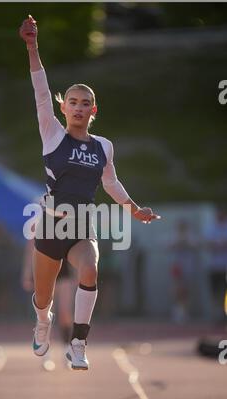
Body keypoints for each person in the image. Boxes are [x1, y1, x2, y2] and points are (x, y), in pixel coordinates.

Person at [19, 15, 161, 371]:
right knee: (43, 297)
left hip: (82, 224)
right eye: (73, 101)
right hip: (51, 225)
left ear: (92, 110)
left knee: (90, 269)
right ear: (63, 107)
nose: (79, 107)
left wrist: (133, 209)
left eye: (85, 103)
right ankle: (42, 322)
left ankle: (78, 343)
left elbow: (110, 183)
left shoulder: (103, 147)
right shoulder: (52, 133)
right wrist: (32, 46)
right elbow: (39, 88)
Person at [22, 238, 76, 370]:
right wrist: (27, 273)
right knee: (44, 314)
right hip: (45, 272)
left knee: (65, 313)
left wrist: (78, 275)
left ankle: (67, 354)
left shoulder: (71, 220)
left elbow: (77, 248)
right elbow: (31, 248)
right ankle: (46, 356)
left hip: (65, 274)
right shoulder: (41, 221)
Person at [205, 208, 227, 323]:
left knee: (225, 292)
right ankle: (215, 315)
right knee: (214, 292)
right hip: (214, 266)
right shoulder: (211, 227)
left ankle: (224, 314)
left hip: (225, 266)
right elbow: (207, 243)